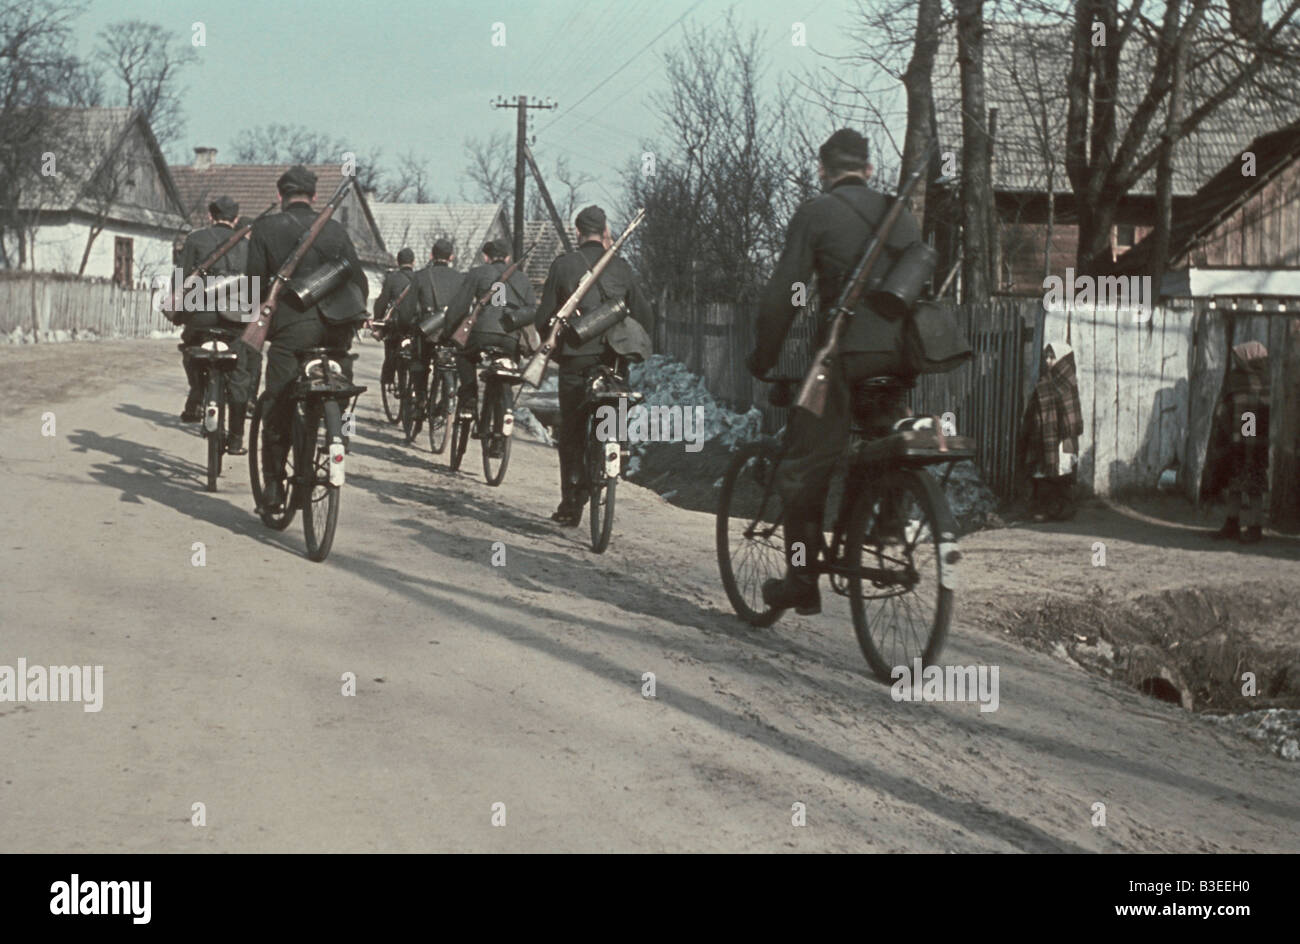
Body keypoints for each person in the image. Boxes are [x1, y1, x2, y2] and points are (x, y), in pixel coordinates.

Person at [746, 129, 923, 614]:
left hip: (844, 358)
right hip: (902, 359)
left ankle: (802, 579)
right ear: (869, 169)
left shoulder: (815, 213)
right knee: (885, 445)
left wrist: (763, 357)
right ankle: (885, 521)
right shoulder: (900, 214)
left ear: (823, 170)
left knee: (803, 468)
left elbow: (786, 292)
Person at [245, 165, 368, 512]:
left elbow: (252, 285)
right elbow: (358, 283)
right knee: (338, 387)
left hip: (291, 331)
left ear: (281, 196)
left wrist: (264, 317)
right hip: (336, 331)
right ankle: (335, 435)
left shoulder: (266, 228)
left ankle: (273, 487)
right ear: (313, 196)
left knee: (278, 402)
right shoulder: (336, 230)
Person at [532, 207, 653, 526]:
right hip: (613, 361)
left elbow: (542, 318)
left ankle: (572, 502)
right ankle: (613, 455)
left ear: (577, 232)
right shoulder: (623, 268)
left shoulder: (563, 266)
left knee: (571, 429)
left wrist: (556, 348)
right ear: (605, 231)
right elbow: (645, 315)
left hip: (576, 360)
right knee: (610, 419)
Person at [175, 196, 260, 454]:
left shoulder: (195, 239)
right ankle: (236, 439)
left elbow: (180, 277)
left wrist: (180, 312)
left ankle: (198, 395)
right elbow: (256, 284)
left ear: (211, 216)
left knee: (189, 347)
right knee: (239, 372)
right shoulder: (248, 247)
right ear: (236, 218)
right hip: (236, 319)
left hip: (201, 316)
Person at [445, 238, 536, 432]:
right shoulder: (523, 278)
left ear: (486, 257)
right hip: (511, 336)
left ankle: (469, 397)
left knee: (464, 356)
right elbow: (531, 311)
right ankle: (503, 418)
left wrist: (448, 333)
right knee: (508, 368)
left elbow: (459, 307)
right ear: (508, 258)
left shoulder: (477, 273)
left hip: (482, 333)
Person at [1204, 340, 1270, 544]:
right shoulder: (1237, 379)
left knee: (1253, 488)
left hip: (1250, 445)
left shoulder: (1260, 381)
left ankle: (1255, 528)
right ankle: (1231, 524)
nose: (1235, 361)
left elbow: (1251, 414)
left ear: (1249, 358)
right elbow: (1229, 409)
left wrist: (1245, 445)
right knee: (1234, 485)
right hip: (1237, 443)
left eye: (1239, 357)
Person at [1018, 341, 1083, 522]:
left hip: (1061, 438)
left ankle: (1061, 509)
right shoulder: (1045, 381)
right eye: (1046, 357)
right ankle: (1046, 509)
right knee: (1043, 473)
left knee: (1060, 474)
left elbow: (1071, 415)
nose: (1048, 361)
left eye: (1052, 357)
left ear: (1062, 358)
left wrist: (1066, 435)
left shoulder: (1067, 381)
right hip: (1044, 434)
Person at [412, 238, 466, 404]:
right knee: (452, 362)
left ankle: (420, 399)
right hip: (452, 330)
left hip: (428, 330)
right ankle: (447, 400)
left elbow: (409, 308)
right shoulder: (461, 278)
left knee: (419, 362)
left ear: (431, 255)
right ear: (451, 257)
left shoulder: (420, 276)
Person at [376, 247, 422, 396]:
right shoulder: (419, 278)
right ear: (413, 262)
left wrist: (378, 319)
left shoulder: (392, 278)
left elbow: (382, 302)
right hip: (415, 324)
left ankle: (388, 379)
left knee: (390, 349)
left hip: (396, 325)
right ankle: (415, 387)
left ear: (398, 261)